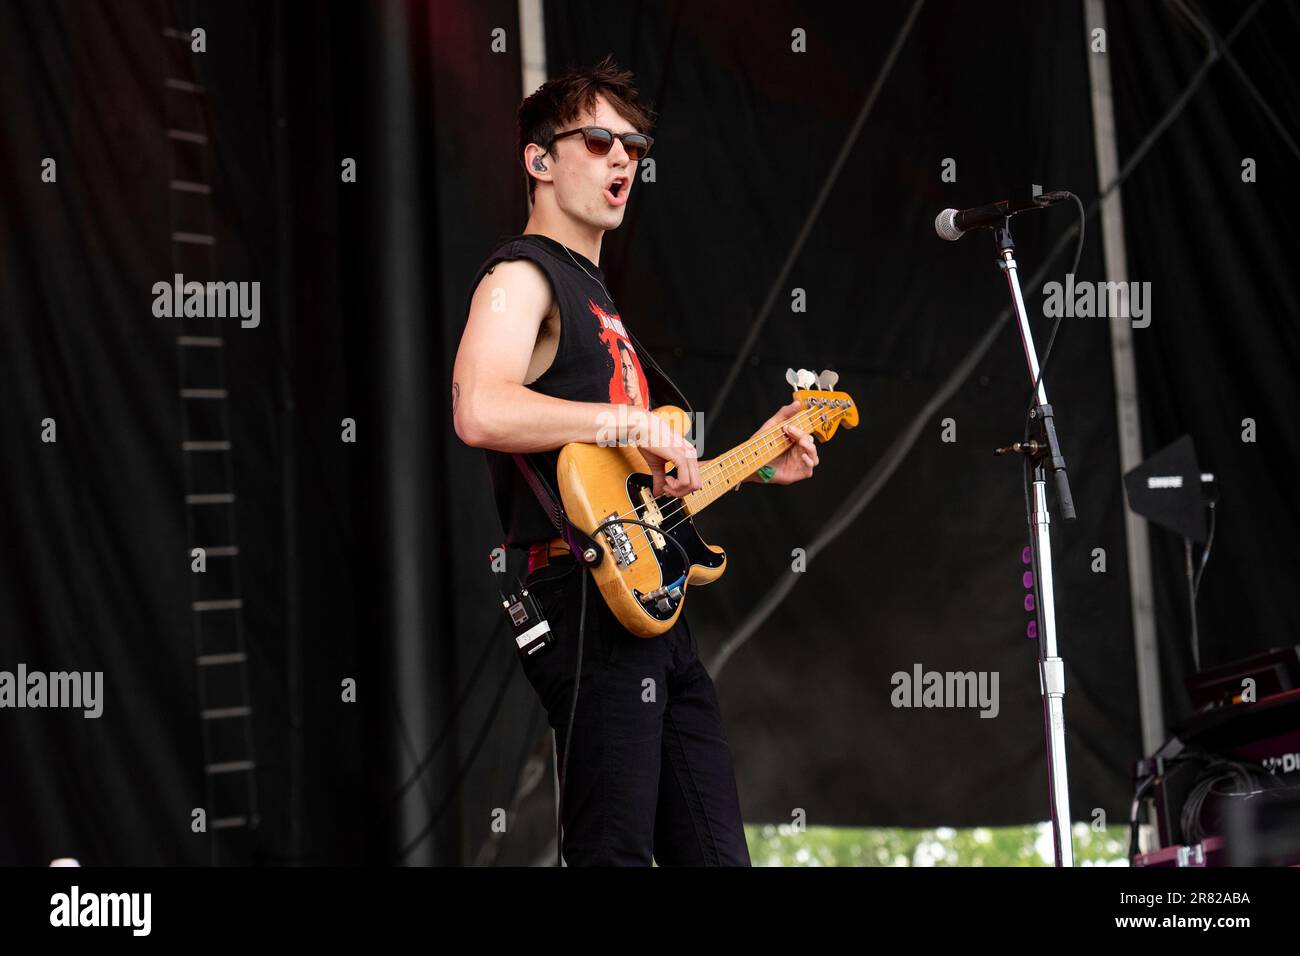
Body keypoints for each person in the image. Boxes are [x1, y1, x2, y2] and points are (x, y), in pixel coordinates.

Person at [451, 55, 820, 866]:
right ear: (539, 160)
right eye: (598, 141)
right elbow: (479, 408)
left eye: (635, 147)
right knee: (612, 854)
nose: (624, 159)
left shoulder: (598, 297)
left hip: (652, 608)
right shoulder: (522, 275)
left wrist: (758, 464)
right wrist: (625, 423)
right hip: (584, 602)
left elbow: (646, 493)